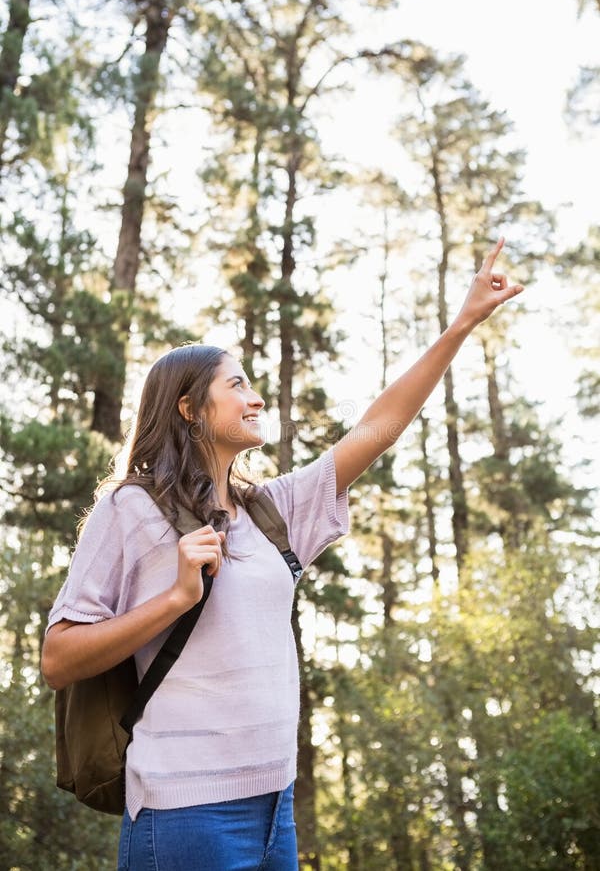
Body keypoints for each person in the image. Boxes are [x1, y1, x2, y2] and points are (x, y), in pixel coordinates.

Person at [41, 237, 523, 870]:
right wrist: (176, 598)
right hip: (185, 812)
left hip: (276, 804)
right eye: (237, 384)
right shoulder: (128, 507)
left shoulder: (272, 510)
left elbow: (379, 427)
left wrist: (460, 325)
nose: (257, 397)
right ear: (189, 408)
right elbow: (58, 657)